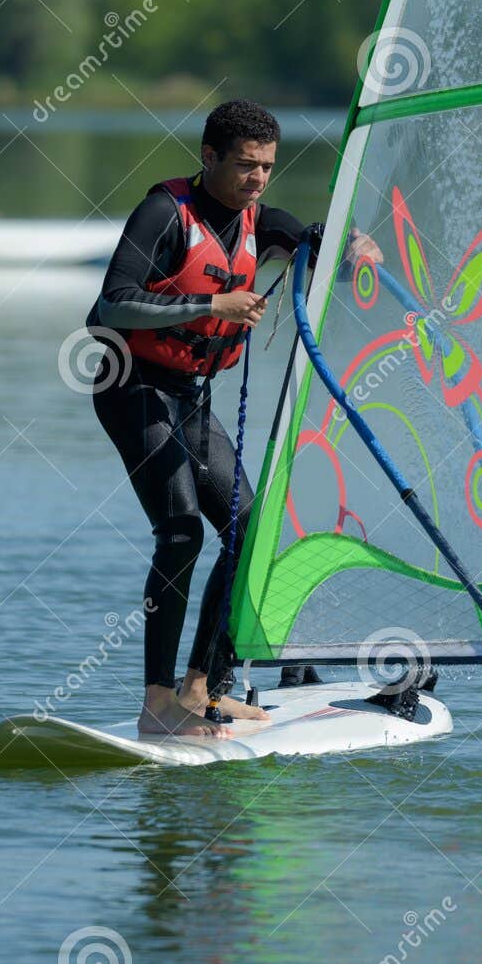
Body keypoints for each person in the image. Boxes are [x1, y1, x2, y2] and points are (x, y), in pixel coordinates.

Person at [87, 99, 360, 739]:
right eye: (245, 165)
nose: (258, 179)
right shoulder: (165, 213)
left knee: (248, 527)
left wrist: (353, 247)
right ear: (209, 157)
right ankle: (157, 703)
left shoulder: (258, 221)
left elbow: (315, 243)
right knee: (181, 530)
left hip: (192, 394)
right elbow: (111, 304)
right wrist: (212, 301)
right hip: (133, 385)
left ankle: (204, 686)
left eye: (267, 167)